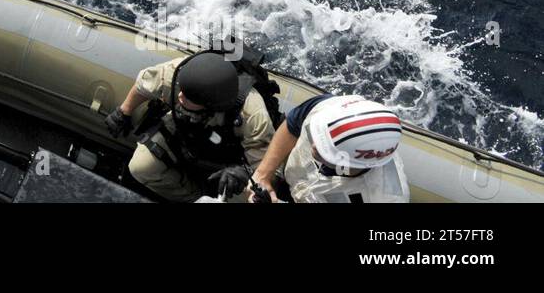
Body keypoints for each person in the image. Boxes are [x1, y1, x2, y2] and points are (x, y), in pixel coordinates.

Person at [106, 50, 275, 202]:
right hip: (186, 130)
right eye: (182, 90)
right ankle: (196, 198)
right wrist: (124, 111)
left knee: (249, 198)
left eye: (189, 97)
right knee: (141, 167)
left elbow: (266, 162)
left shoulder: (252, 113)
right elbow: (143, 85)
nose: (180, 96)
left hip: (230, 156)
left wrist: (242, 173)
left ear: (211, 104)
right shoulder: (177, 75)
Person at [248, 94, 409, 203]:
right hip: (293, 181)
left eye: (326, 147)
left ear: (347, 163)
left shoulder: (387, 197)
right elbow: (293, 124)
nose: (314, 145)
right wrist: (263, 175)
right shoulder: (329, 109)